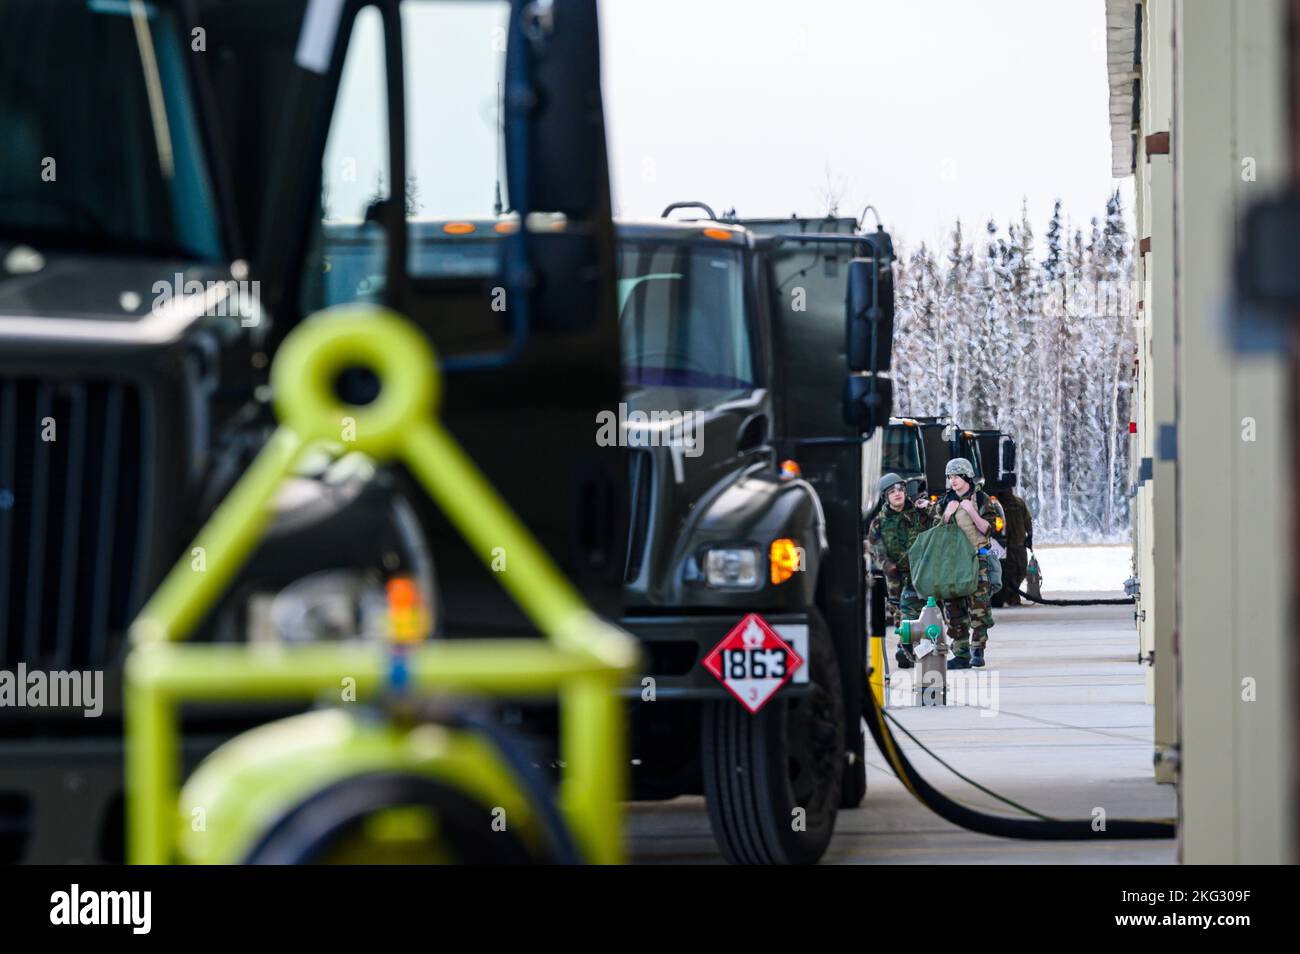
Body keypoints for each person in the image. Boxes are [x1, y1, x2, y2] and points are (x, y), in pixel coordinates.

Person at [936, 457, 999, 669]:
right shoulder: (946, 501)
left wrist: (970, 510)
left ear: (966, 477)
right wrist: (947, 513)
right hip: (953, 562)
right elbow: (936, 531)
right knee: (953, 609)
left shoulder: (980, 499)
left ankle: (978, 650)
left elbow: (989, 529)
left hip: (976, 558)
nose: (953, 481)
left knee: (979, 607)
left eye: (956, 476)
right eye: (950, 477)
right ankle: (960, 652)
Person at [866, 472, 931, 669]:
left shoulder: (918, 514)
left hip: (918, 571)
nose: (897, 494)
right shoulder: (879, 521)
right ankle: (905, 648)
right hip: (894, 574)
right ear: (885, 496)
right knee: (897, 611)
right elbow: (876, 547)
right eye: (892, 491)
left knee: (919, 609)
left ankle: (916, 646)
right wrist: (887, 565)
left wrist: (928, 508)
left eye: (900, 490)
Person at [998, 488, 1033, 606]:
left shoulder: (1018, 503)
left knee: (1022, 569)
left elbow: (1027, 519)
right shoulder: (997, 504)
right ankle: (1011, 596)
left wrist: (1030, 534)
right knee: (1009, 571)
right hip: (1007, 544)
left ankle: (1013, 593)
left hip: (1020, 542)